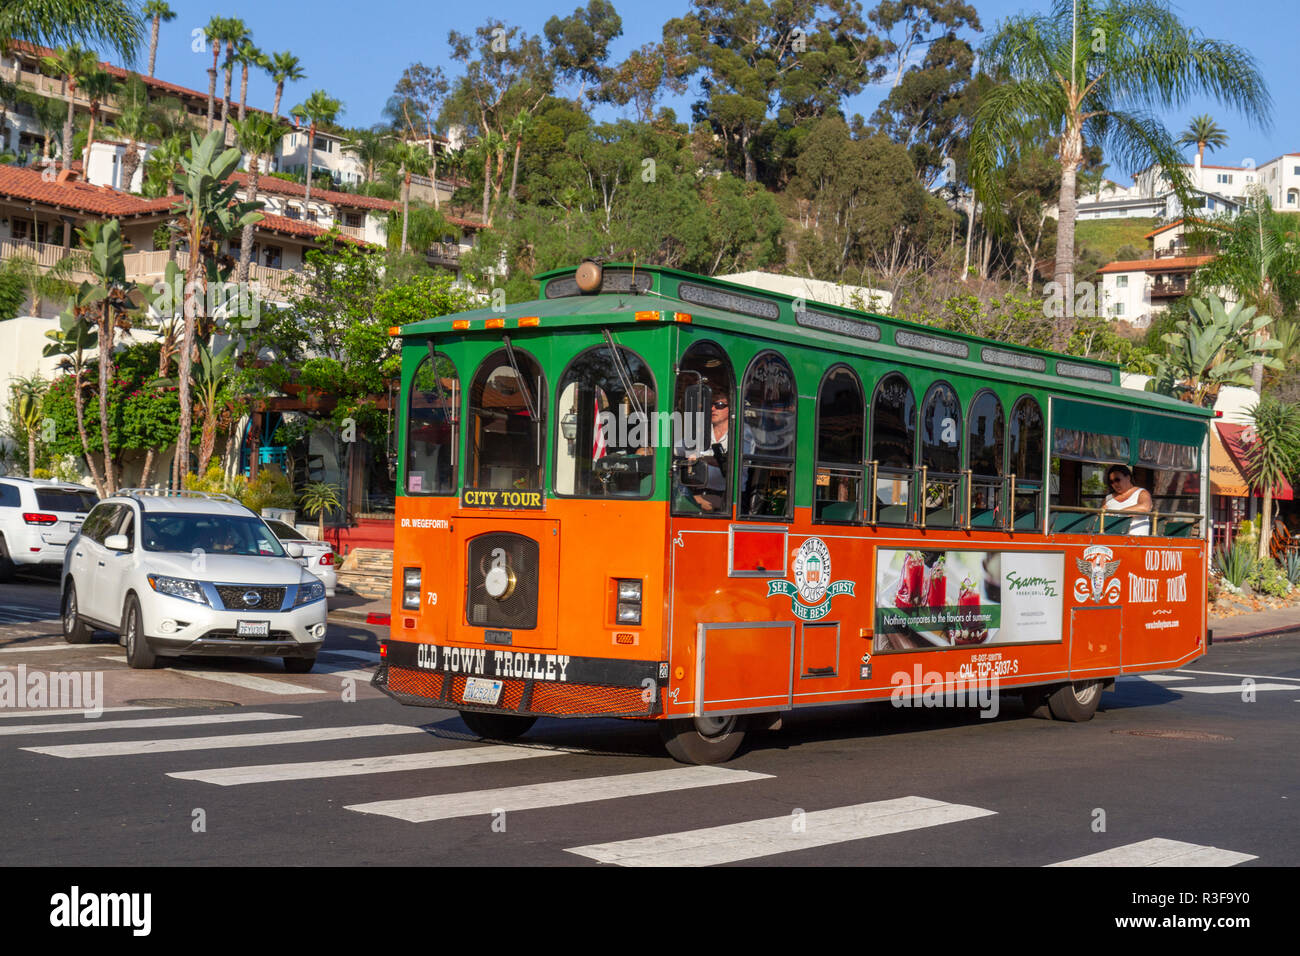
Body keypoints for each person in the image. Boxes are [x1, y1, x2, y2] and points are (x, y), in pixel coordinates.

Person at [679, 386, 730, 512]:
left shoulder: (743, 433)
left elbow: (733, 463)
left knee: (679, 502)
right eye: (711, 404)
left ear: (732, 408)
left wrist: (702, 460)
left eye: (719, 405)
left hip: (726, 495)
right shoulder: (703, 431)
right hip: (696, 490)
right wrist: (652, 450)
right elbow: (677, 447)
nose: (713, 408)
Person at [1104, 465, 1152, 535]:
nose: (1115, 484)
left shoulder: (1142, 493)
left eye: (1117, 480)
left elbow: (1145, 507)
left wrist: (1118, 513)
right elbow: (1099, 518)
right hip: (1111, 539)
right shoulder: (1108, 498)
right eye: (1111, 482)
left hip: (1136, 541)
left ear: (1128, 478)